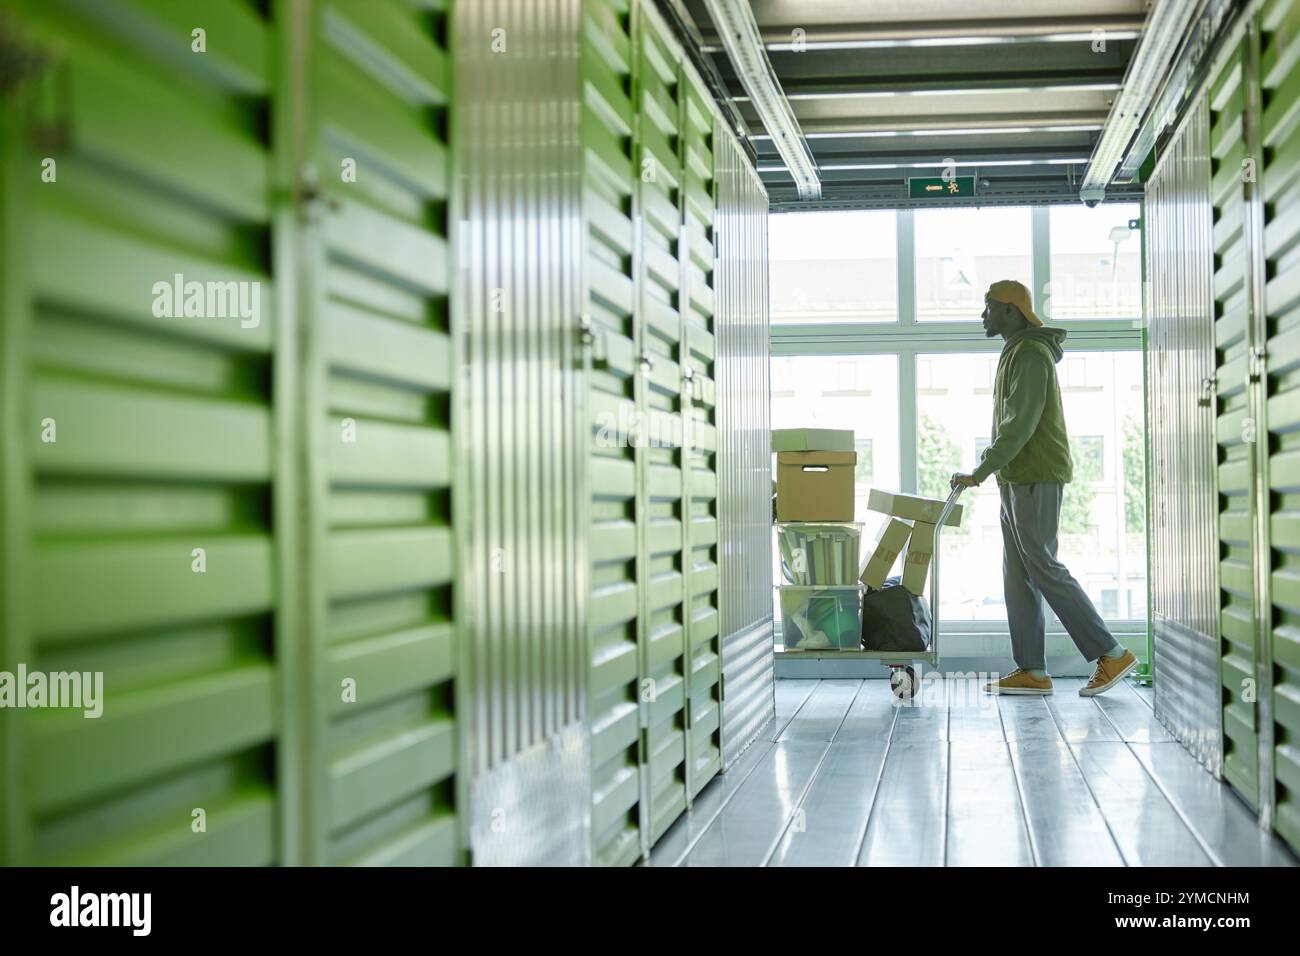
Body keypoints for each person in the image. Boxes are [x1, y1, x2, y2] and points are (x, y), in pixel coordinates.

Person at [950, 279, 1136, 697]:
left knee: (1044, 567)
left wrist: (980, 471)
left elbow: (1020, 424)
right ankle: (1031, 670)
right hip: (1016, 476)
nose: (983, 316)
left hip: (1036, 474)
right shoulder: (1016, 351)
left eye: (989, 307)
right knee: (1018, 573)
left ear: (1011, 311)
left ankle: (1112, 652)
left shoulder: (1032, 354)